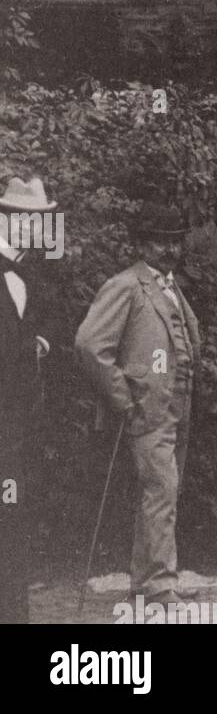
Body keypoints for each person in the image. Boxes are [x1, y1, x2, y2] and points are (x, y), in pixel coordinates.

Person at [75, 200, 200, 604]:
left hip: (176, 407)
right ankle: (160, 587)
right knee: (160, 490)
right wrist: (122, 398)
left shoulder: (171, 287)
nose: (170, 251)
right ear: (141, 246)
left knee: (164, 494)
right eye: (160, 243)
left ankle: (147, 584)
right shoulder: (126, 285)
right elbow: (91, 345)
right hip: (145, 408)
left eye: (175, 242)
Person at [0, 176, 55, 624]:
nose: (40, 231)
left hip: (17, 432)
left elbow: (34, 327)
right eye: (33, 221)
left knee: (13, 528)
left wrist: (37, 341)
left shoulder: (27, 275)